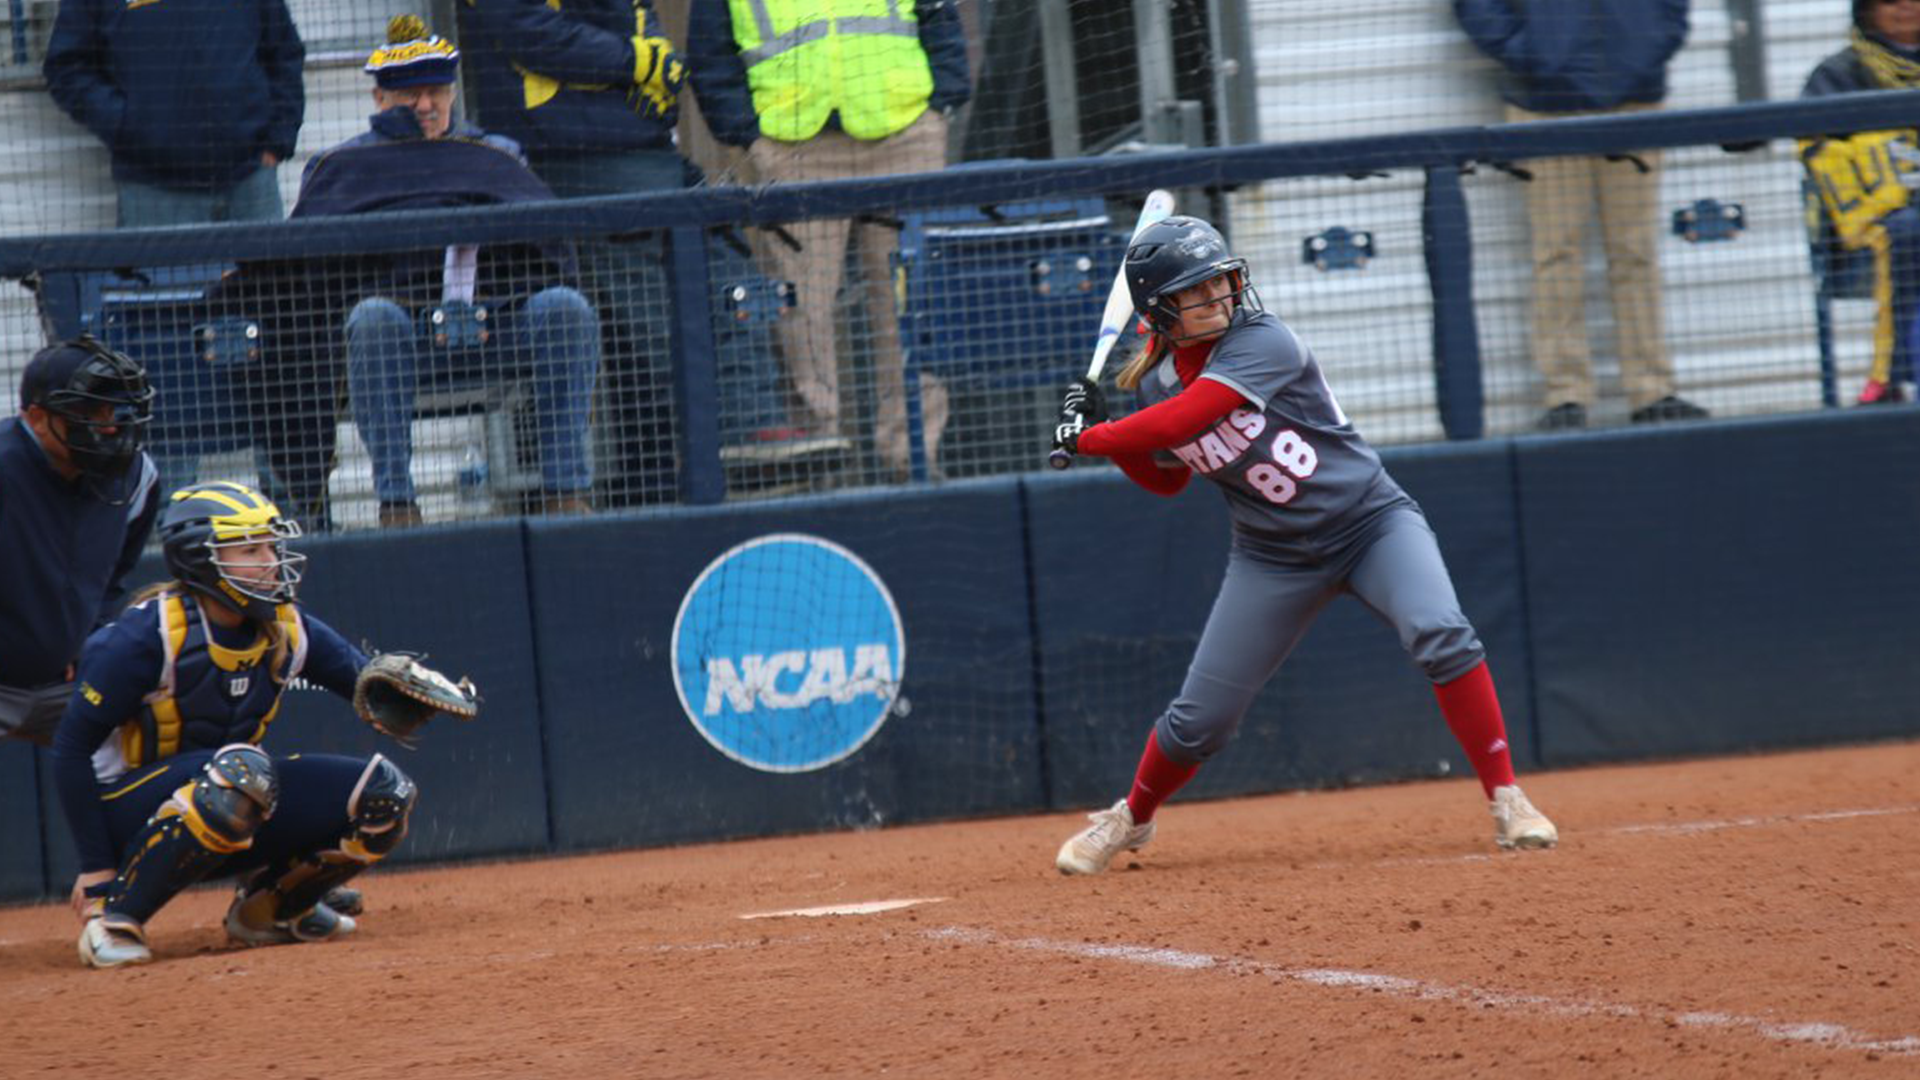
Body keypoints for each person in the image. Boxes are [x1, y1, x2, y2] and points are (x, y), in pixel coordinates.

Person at [1048, 216, 1558, 875]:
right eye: (1197, 291)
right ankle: (1132, 817)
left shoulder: (1264, 339)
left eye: (1223, 281)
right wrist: (1107, 433)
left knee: (1441, 632)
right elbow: (1166, 478)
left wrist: (1092, 438)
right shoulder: (1153, 384)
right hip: (1273, 557)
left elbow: (1193, 416)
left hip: (1371, 524)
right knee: (1202, 721)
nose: (1221, 296)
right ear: (1161, 311)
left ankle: (1509, 799)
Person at [51, 481, 434, 968]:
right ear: (200, 560)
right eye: (250, 549)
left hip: (233, 797)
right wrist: (96, 870)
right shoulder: (145, 637)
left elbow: (362, 680)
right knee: (243, 770)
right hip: (126, 814)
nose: (271, 560)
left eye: (271, 546)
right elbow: (70, 748)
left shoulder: (285, 626)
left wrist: (399, 692)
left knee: (385, 793)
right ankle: (116, 919)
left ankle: (271, 909)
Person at [292, 16, 601, 527]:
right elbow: (311, 272)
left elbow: (546, 246)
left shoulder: (495, 153)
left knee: (564, 307)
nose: (426, 106)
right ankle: (396, 502)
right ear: (380, 101)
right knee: (371, 318)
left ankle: (564, 490)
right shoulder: (340, 166)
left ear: (452, 93)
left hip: (496, 324)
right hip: (402, 335)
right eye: (408, 96)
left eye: (436, 92)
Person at [686, 0, 971, 482]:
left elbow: (939, 14)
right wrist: (747, 134)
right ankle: (817, 462)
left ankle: (913, 460)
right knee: (801, 308)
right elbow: (709, 51)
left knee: (912, 303)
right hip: (792, 146)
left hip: (904, 134)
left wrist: (939, 104)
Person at [456, 0, 692, 505]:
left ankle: (654, 482)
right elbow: (529, 29)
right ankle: (554, 494)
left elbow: (641, 29)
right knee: (550, 324)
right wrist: (634, 62)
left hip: (629, 156)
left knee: (641, 330)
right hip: (535, 164)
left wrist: (645, 65)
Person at [1454, 0, 1709, 431]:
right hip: (1544, 104)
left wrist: (1648, 46)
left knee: (1636, 250)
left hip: (1635, 101)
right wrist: (1533, 54)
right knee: (1556, 252)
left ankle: (1652, 390)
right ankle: (1565, 395)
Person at [0, 338, 159, 746]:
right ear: (37, 418)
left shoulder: (135, 475)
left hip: (67, 683)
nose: (106, 425)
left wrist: (92, 638)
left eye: (111, 409)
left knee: (167, 724)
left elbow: (116, 575)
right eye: (89, 412)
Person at [42, 0, 304, 228]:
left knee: (262, 285)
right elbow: (66, 68)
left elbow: (284, 52)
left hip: (251, 185)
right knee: (163, 286)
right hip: (153, 193)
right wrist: (129, 128)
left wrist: (277, 140)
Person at [1801, 0, 1920, 406]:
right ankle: (1887, 378)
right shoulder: (1837, 73)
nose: (1905, 6)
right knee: (1906, 232)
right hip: (1873, 223)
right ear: (1867, 10)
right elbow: (1818, 149)